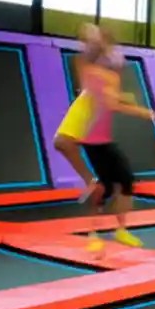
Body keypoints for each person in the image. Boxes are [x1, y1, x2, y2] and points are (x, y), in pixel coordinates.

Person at [79, 31, 155, 253]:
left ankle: (118, 230)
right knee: (116, 183)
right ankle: (96, 232)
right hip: (93, 139)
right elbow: (111, 104)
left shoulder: (99, 75)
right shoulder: (95, 73)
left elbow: (108, 99)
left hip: (98, 139)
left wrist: (123, 98)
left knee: (121, 182)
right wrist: (143, 111)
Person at [53, 24, 105, 203]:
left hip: (93, 100)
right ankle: (92, 181)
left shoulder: (101, 54)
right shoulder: (82, 58)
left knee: (63, 142)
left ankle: (94, 182)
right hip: (87, 99)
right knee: (62, 142)